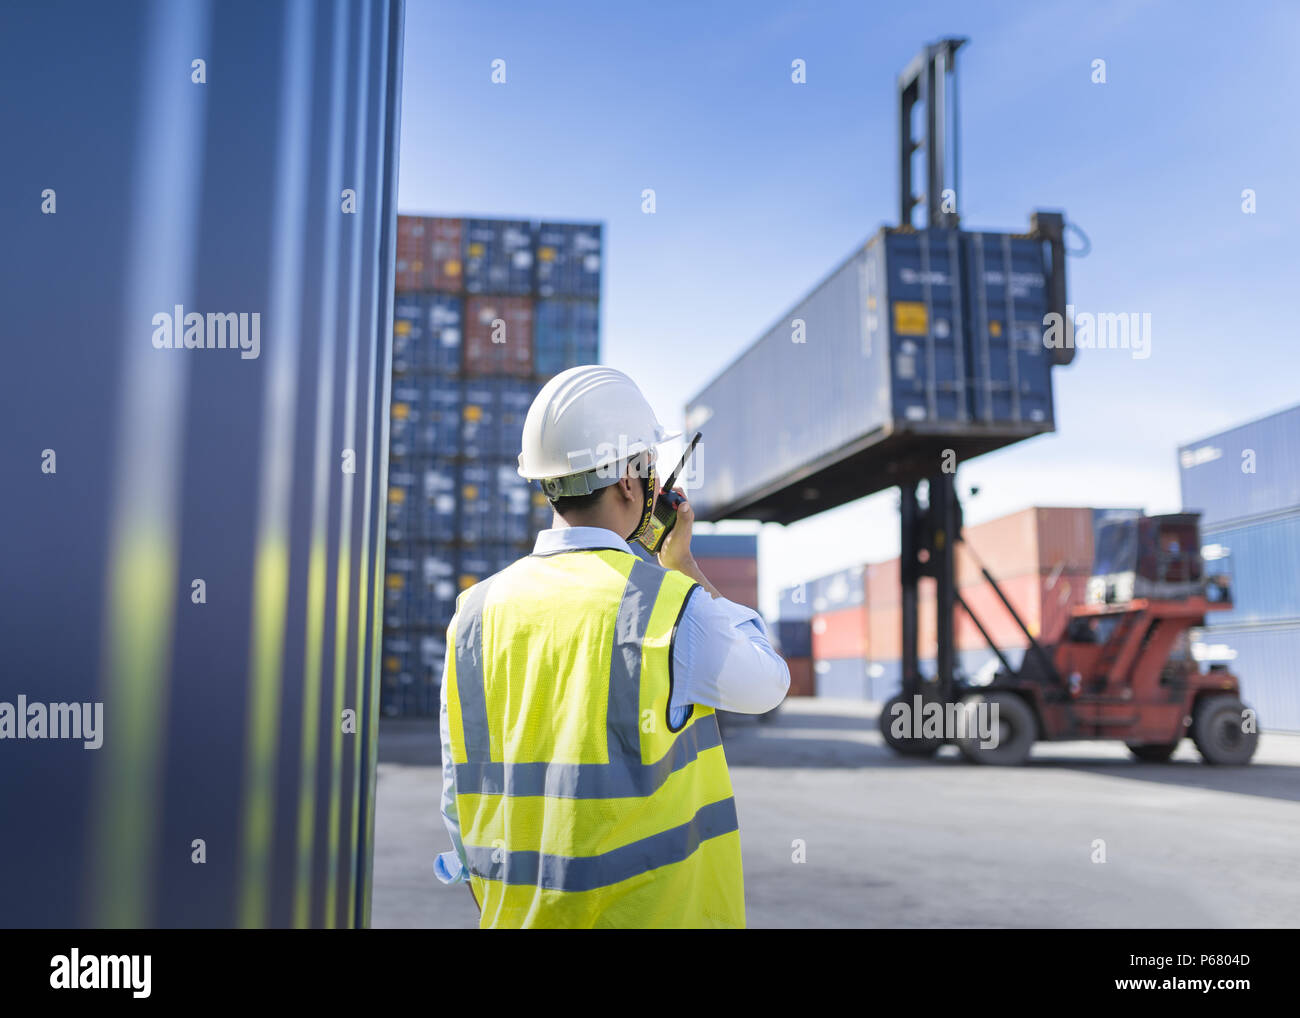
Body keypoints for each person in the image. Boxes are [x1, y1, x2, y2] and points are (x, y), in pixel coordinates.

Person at [434, 364, 789, 928]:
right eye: (649, 467)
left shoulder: (474, 613)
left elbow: (459, 789)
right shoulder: (669, 606)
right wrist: (685, 564)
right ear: (630, 481)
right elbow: (768, 683)